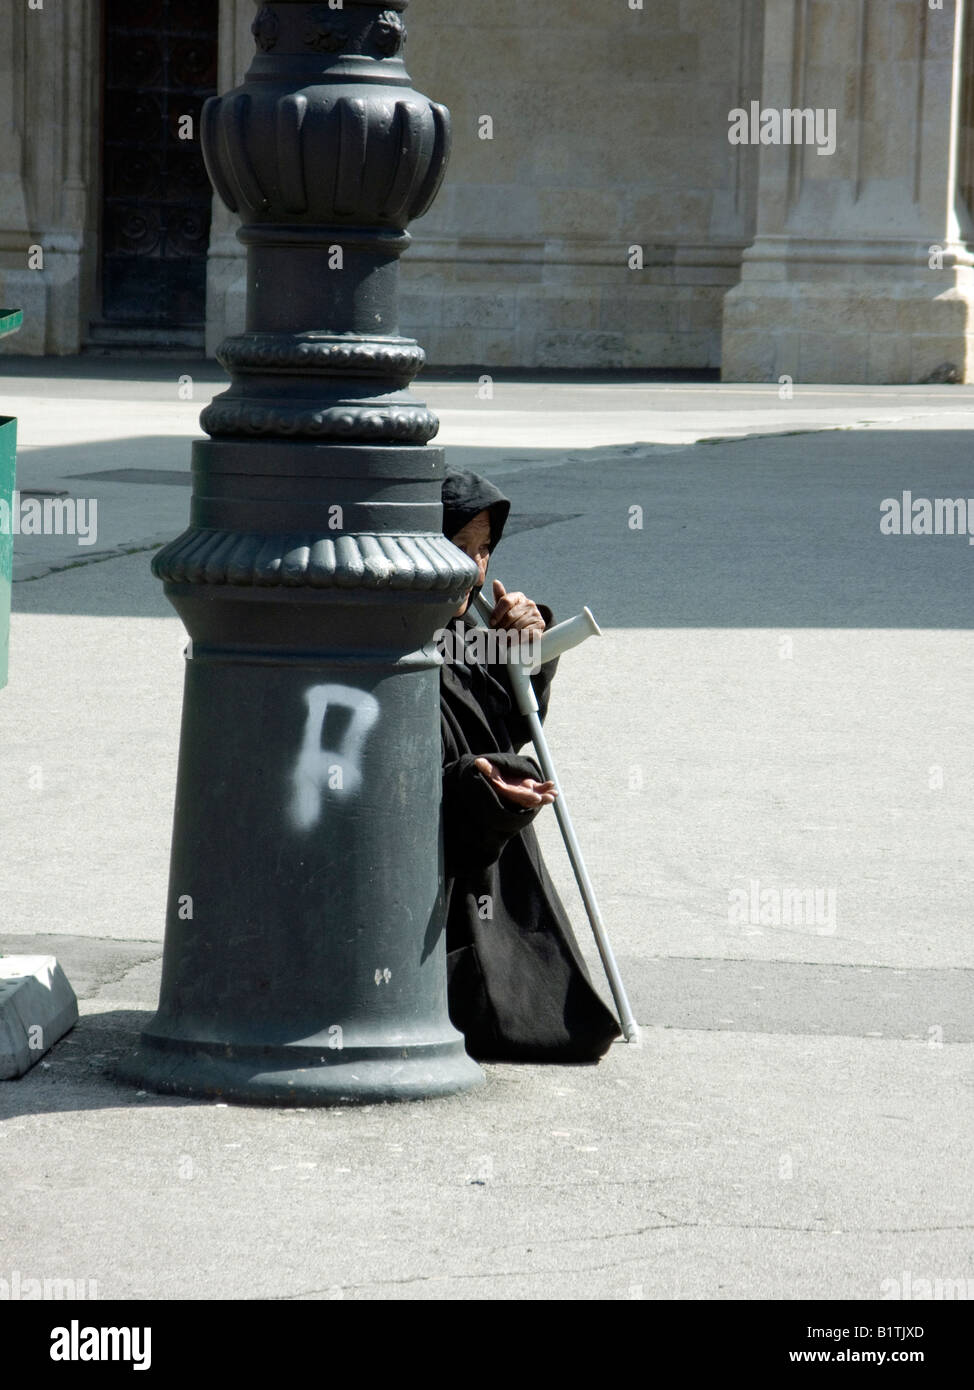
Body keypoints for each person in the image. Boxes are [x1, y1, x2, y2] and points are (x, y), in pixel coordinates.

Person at [438, 469, 622, 1062]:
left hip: (496, 854)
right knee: (504, 1014)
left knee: (553, 1009)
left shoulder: (465, 625)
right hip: (447, 872)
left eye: (484, 549)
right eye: (457, 548)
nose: (474, 567)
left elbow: (510, 720)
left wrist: (525, 649)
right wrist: (478, 781)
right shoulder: (401, 633)